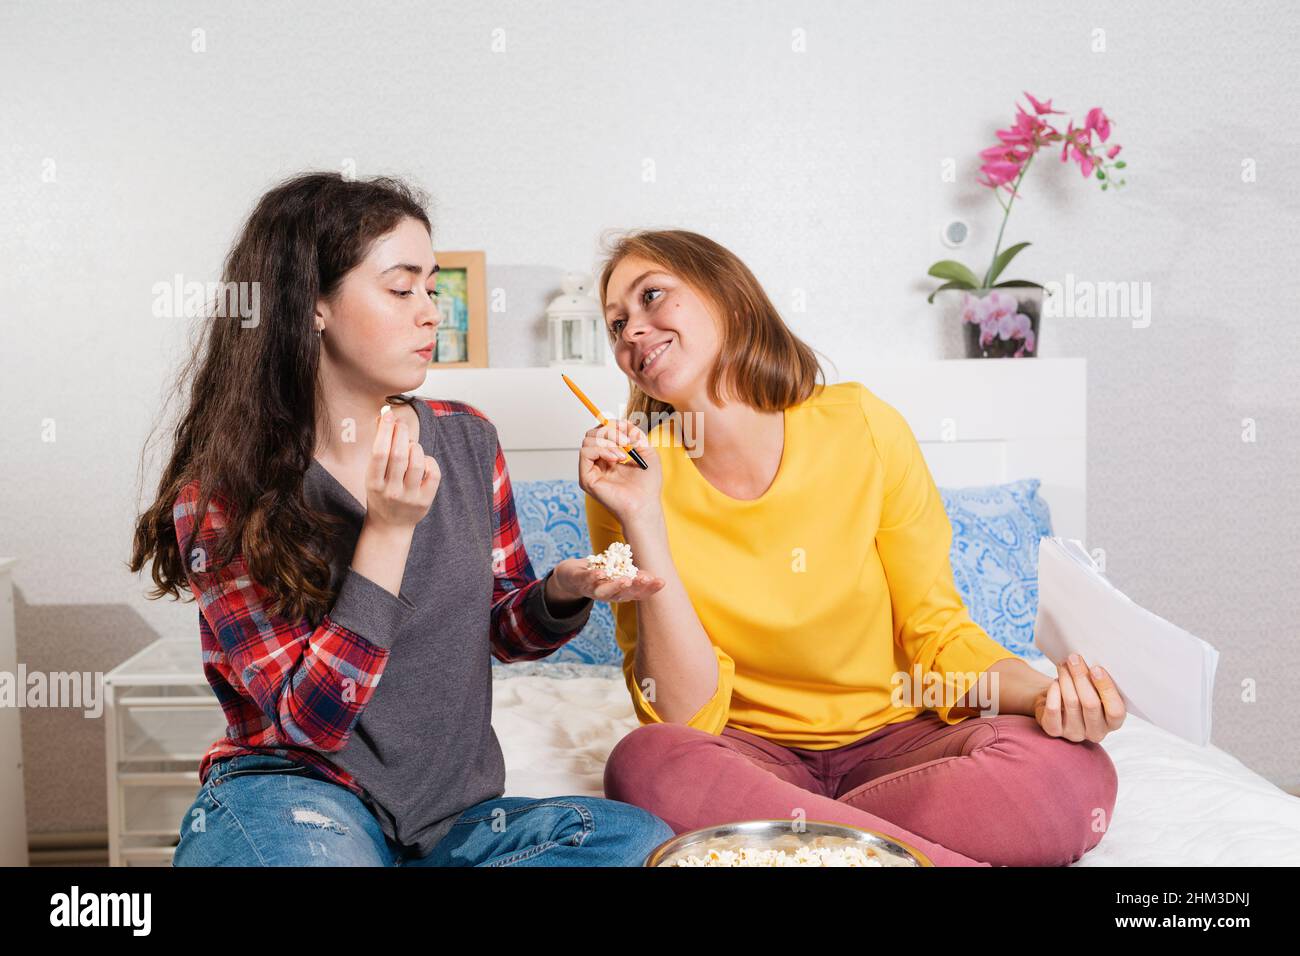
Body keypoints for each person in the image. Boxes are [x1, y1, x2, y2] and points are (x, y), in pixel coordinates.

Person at [129, 172, 672, 866]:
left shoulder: (468, 440)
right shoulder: (223, 494)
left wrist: (562, 591)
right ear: (313, 304)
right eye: (400, 287)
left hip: (452, 817)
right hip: (301, 793)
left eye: (432, 286)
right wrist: (386, 533)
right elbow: (311, 724)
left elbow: (502, 633)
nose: (430, 312)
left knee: (638, 843)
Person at [580, 229, 1123, 867]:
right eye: (617, 325)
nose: (632, 333)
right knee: (647, 764)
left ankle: (796, 843)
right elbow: (684, 715)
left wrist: (1049, 696)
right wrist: (643, 518)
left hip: (899, 745)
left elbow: (938, 635)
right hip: (749, 756)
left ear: (728, 295)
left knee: (1068, 770)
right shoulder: (628, 478)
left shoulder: (863, 425)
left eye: (652, 297)